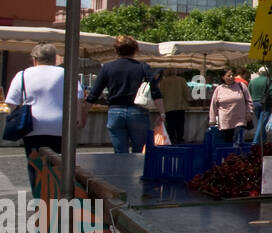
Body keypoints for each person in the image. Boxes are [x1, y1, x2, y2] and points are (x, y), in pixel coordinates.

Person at [5, 43, 86, 191]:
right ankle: (57, 196)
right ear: (55, 58)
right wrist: (79, 119)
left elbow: (12, 103)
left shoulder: (23, 74)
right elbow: (78, 98)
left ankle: (39, 199)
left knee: (35, 165)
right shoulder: (66, 73)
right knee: (60, 165)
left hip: (33, 126)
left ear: (35, 59)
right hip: (62, 126)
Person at [86, 35, 164, 153]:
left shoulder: (107, 68)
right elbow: (155, 91)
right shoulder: (143, 67)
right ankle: (138, 171)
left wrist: (83, 114)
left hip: (115, 111)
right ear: (135, 50)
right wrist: (162, 113)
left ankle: (123, 171)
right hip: (138, 111)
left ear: (116, 50)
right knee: (140, 152)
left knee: (120, 153)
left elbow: (94, 94)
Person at [208, 69, 254, 143]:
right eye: (228, 75)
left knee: (238, 141)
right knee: (228, 142)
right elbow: (213, 105)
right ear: (223, 77)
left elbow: (249, 100)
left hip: (240, 119)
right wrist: (212, 120)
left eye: (233, 75)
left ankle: (238, 154)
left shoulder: (241, 86)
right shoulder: (219, 89)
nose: (231, 77)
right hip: (225, 121)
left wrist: (249, 112)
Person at [158, 69, 190, 143]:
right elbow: (186, 92)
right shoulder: (182, 80)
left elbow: (161, 94)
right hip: (180, 106)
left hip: (168, 106)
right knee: (180, 124)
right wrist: (188, 101)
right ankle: (180, 139)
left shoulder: (163, 82)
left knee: (170, 125)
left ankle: (172, 139)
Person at [249, 67, 272, 144]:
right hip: (266, 104)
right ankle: (255, 142)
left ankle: (264, 140)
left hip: (255, 103)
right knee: (261, 124)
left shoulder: (252, 81)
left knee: (260, 122)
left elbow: (249, 93)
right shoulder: (269, 80)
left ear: (259, 73)